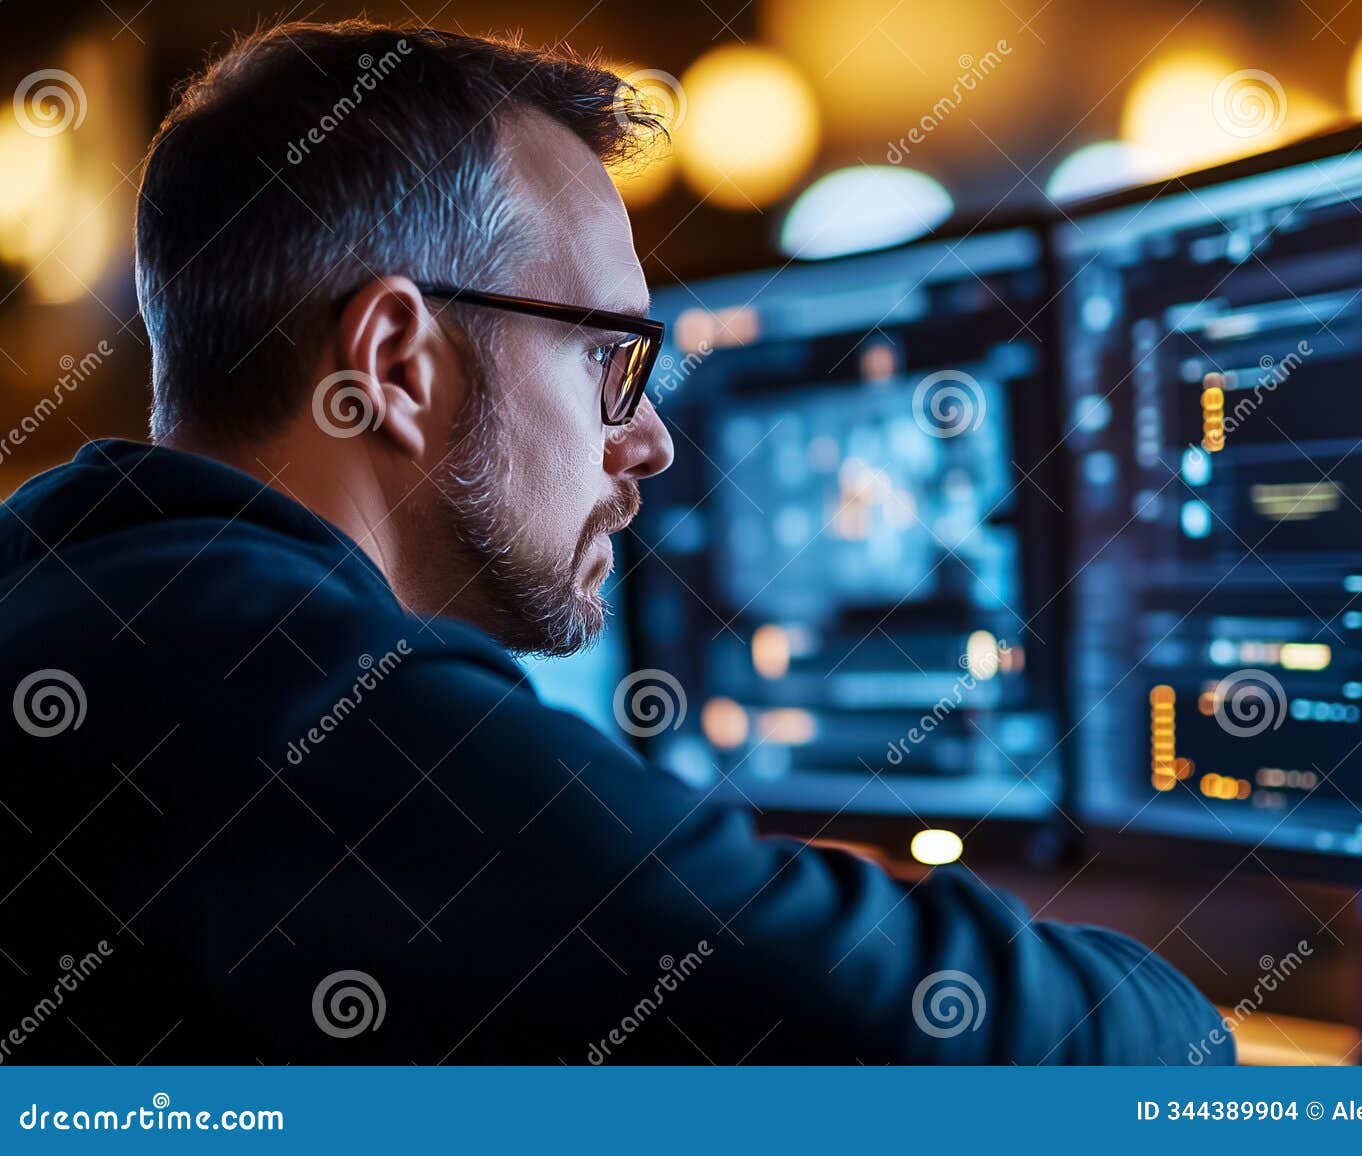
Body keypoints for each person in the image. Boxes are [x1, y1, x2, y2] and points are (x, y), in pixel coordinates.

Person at [0, 20, 1230, 1065]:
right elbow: (907, 1019)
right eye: (608, 359)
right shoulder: (281, 683)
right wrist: (1196, 1032)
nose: (648, 442)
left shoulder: (102, 595)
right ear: (393, 364)